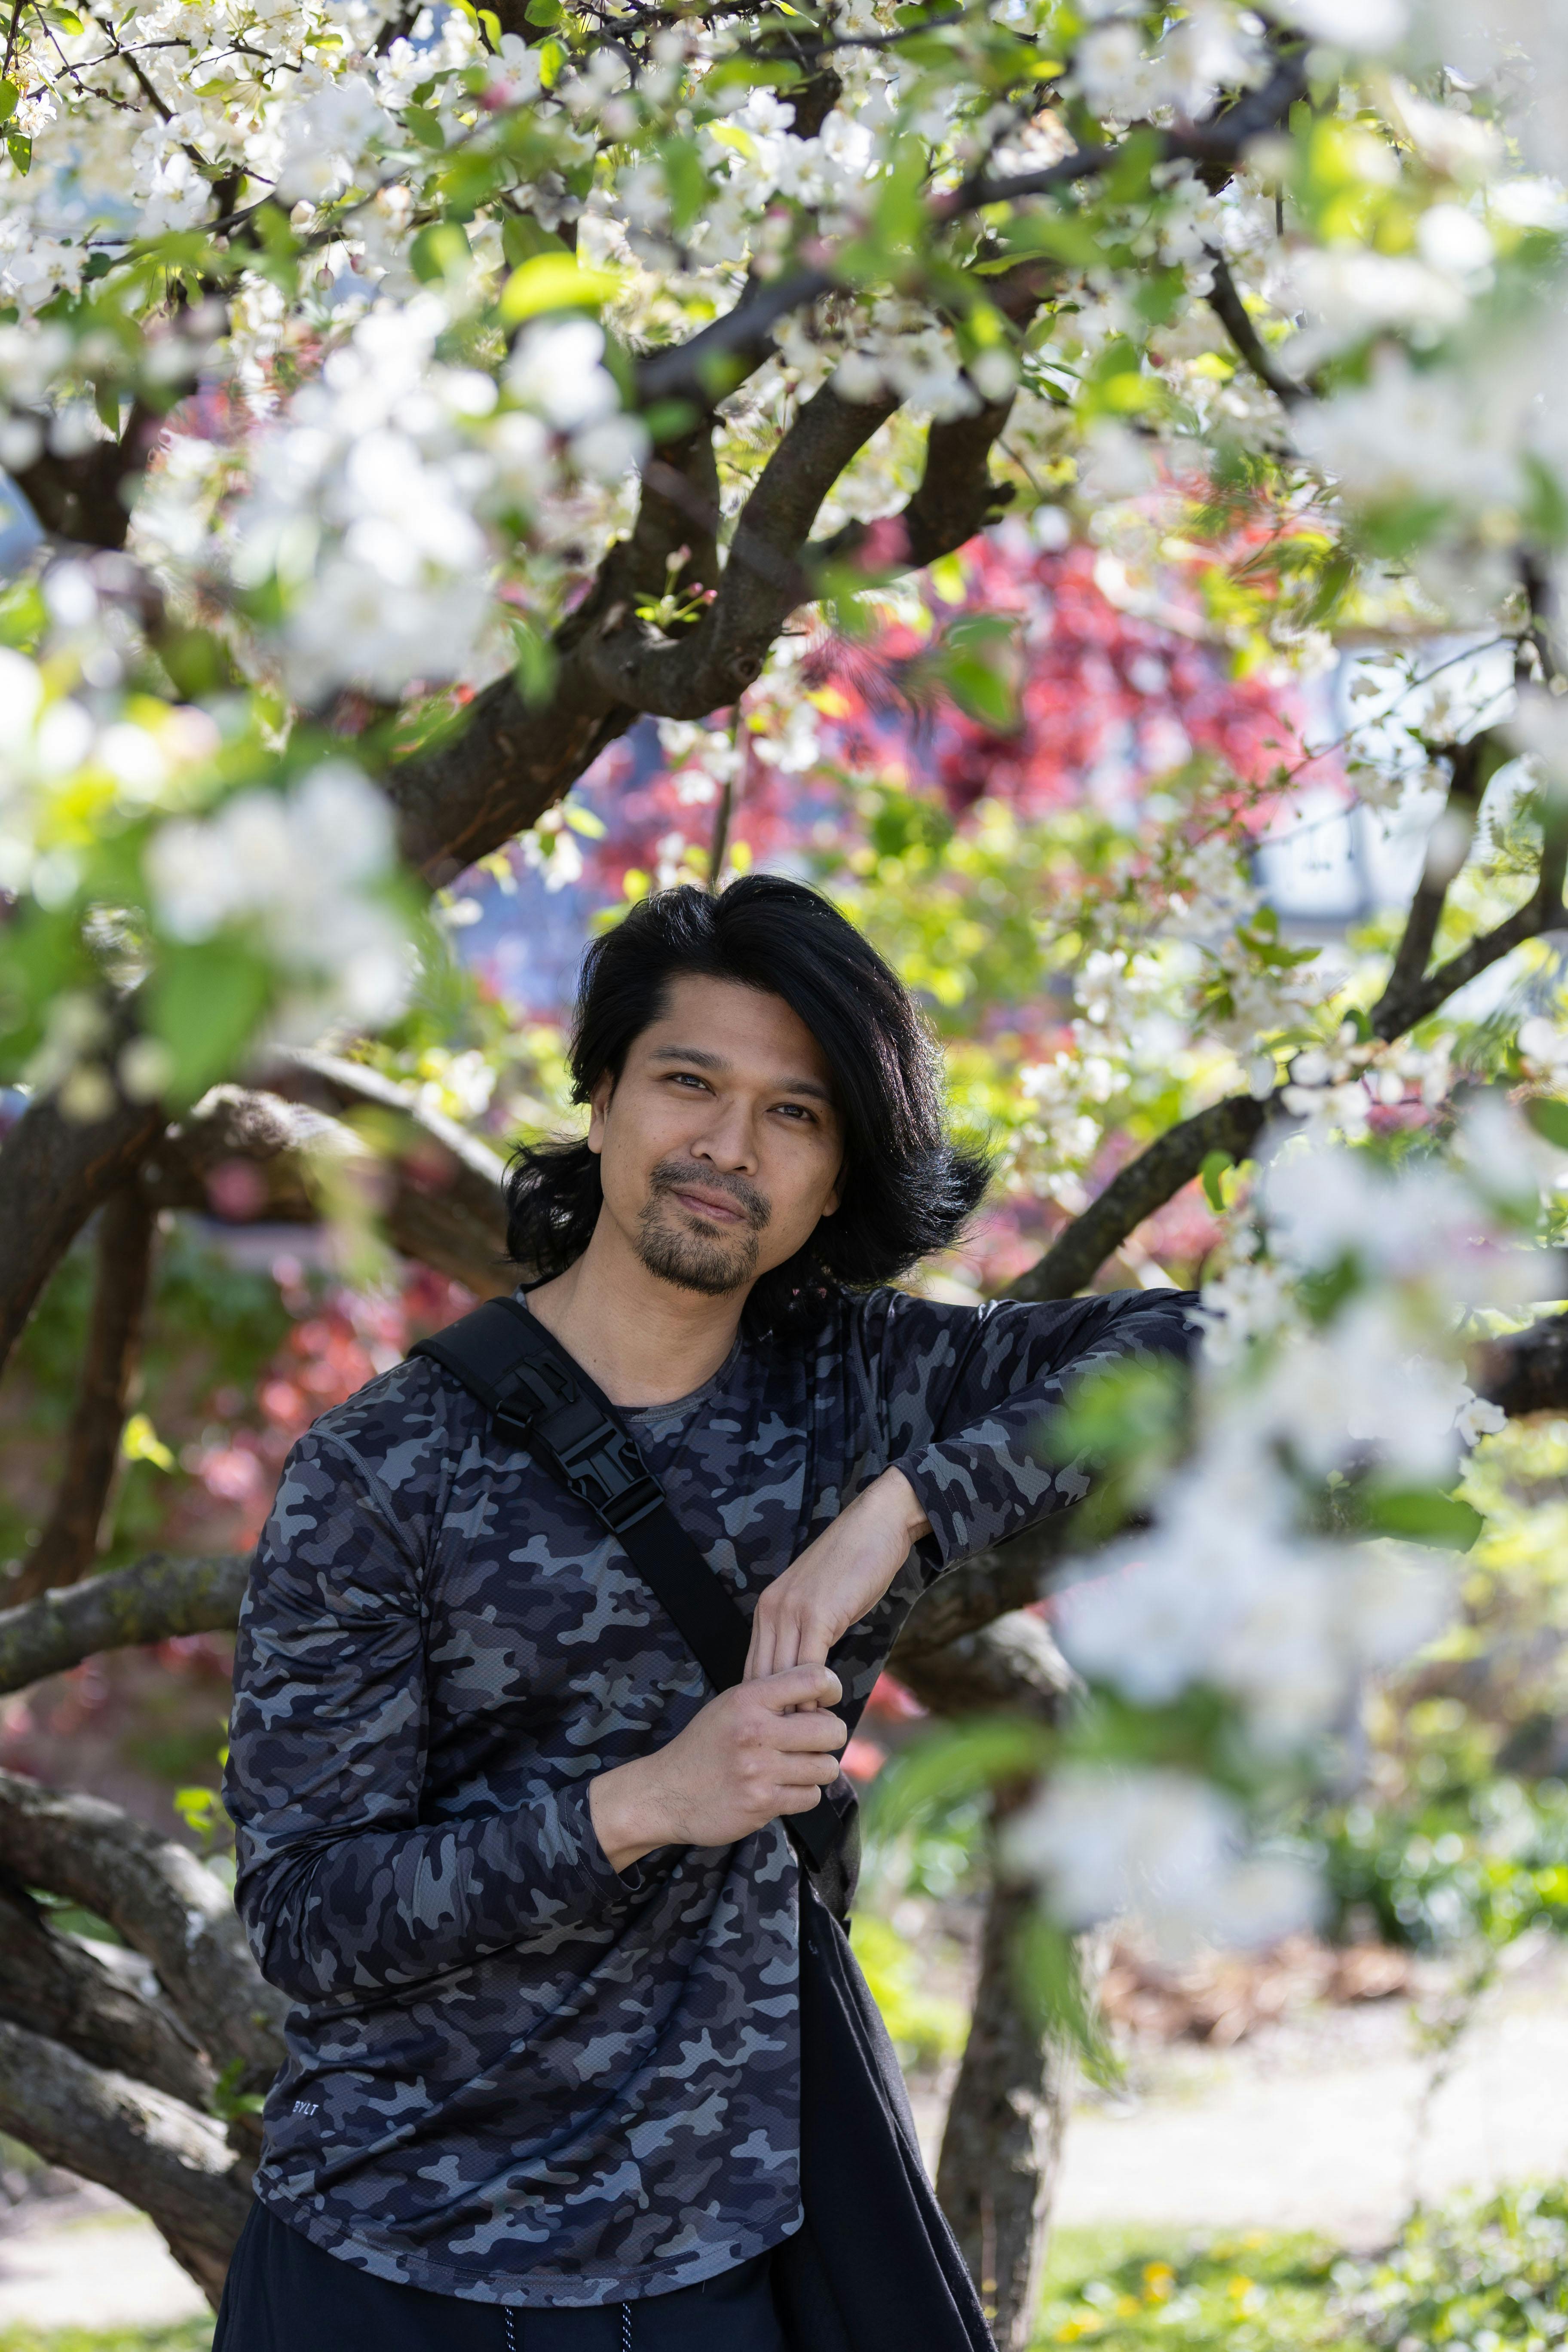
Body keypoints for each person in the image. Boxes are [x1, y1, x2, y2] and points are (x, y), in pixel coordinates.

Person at [217, 875, 1196, 2350]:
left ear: (833, 1175)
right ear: (601, 1098)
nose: (730, 1148)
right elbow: (305, 1917)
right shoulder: (383, 1467)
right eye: (691, 1083)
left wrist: (903, 1507)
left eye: (796, 1115)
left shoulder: (853, 1387)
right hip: (396, 2256)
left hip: (718, 2262)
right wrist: (652, 1801)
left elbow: (1214, 1347)